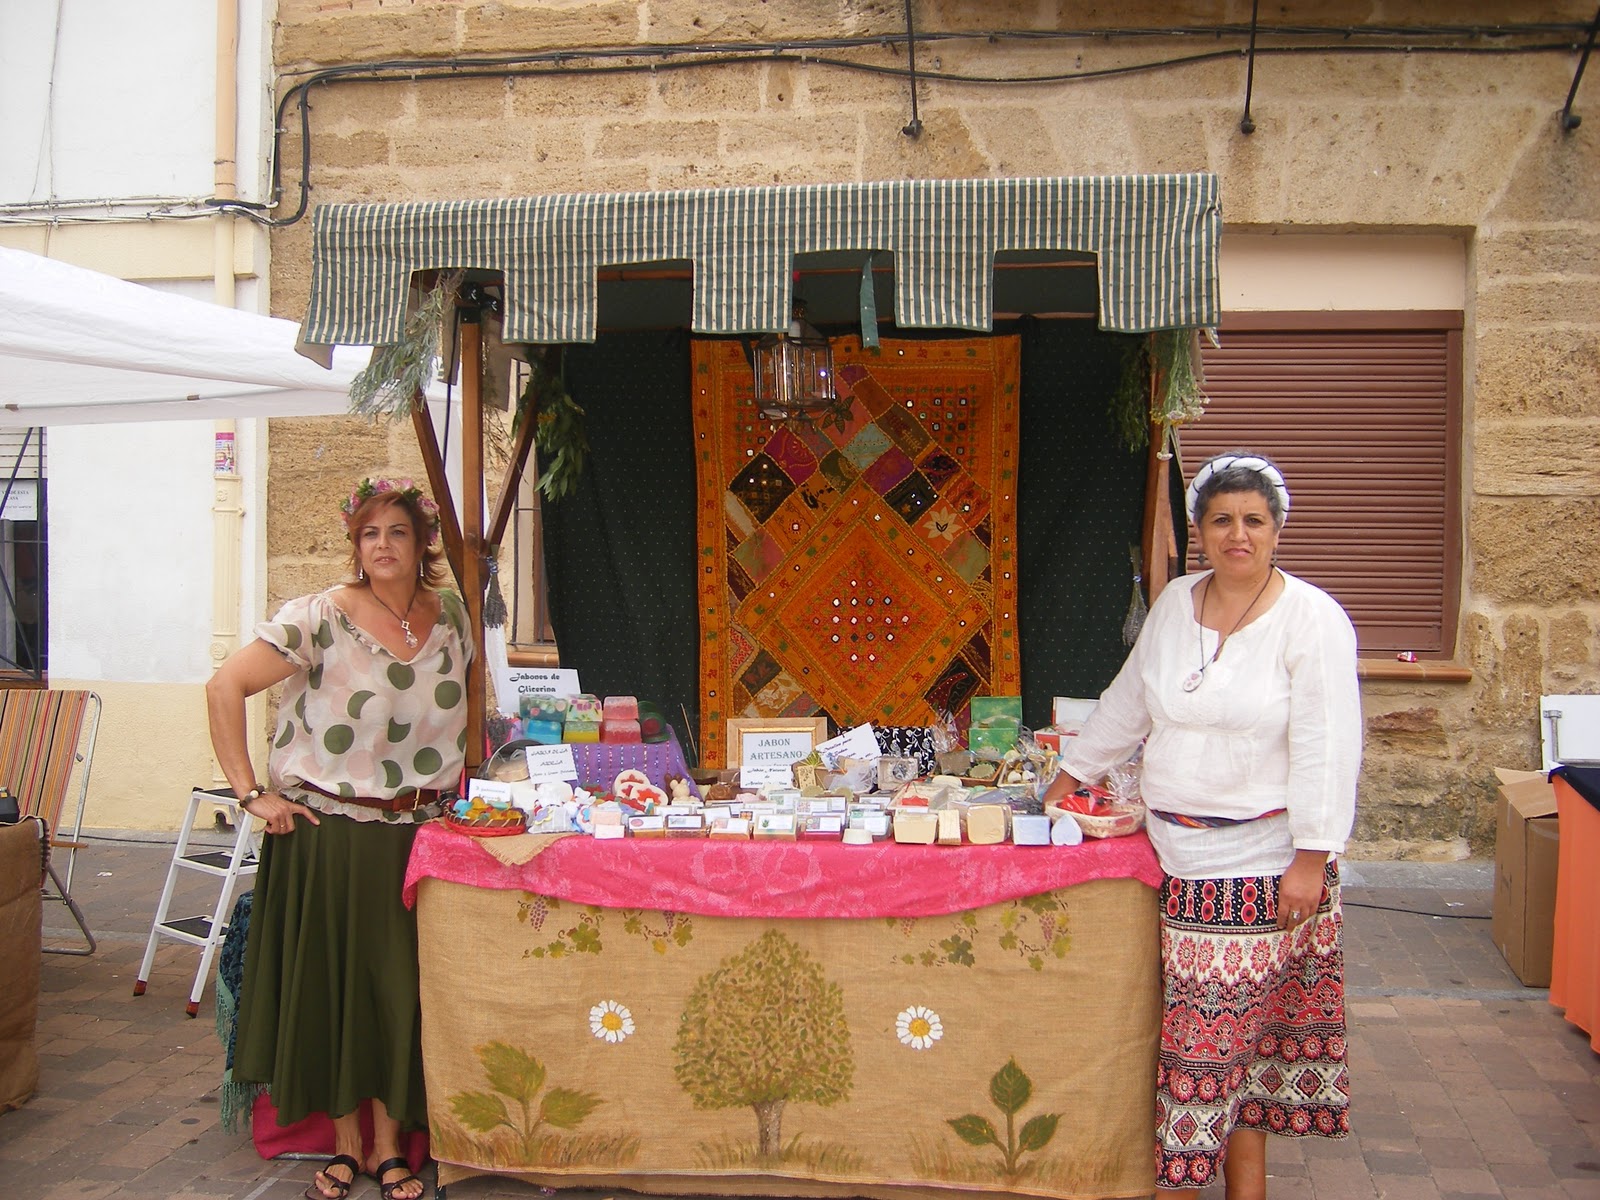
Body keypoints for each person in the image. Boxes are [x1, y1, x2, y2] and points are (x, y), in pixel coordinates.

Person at [1043, 450, 1360, 1197]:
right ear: (1200, 531)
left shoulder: (1311, 618)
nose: (1237, 535)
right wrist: (1066, 780)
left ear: (1278, 529)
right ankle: (1244, 1189)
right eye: (1221, 520)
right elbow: (1128, 701)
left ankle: (1192, 1184)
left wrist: (1312, 858)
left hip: (1261, 867)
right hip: (1174, 852)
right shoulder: (1176, 603)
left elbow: (1329, 744)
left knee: (1213, 1049)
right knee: (1229, 1045)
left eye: (1253, 520)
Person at [207, 478, 472, 1200]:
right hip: (329, 835)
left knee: (398, 993)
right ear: (356, 545)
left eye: (397, 532)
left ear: (422, 543)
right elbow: (225, 687)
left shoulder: (451, 615)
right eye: (369, 534)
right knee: (337, 991)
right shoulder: (320, 617)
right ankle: (348, 1147)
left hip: (419, 836)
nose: (382, 546)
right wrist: (249, 794)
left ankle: (391, 1147)